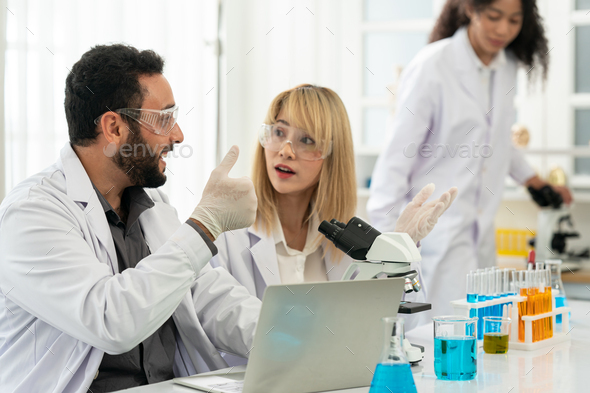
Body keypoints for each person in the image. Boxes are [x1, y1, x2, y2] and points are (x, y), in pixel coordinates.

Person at [0, 44, 261, 393]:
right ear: (114, 128)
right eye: (164, 119)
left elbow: (208, 295)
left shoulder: (151, 202)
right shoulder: (31, 213)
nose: (178, 136)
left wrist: (291, 339)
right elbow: (110, 320)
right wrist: (205, 225)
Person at [211, 84, 457, 359]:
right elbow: (214, 333)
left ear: (332, 155)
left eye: (307, 140)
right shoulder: (228, 236)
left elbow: (400, 328)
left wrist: (403, 246)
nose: (286, 150)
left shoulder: (350, 241)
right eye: (279, 132)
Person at [367, 0, 573, 319]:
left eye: (514, 20)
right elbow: (395, 161)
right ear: (471, 10)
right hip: (434, 238)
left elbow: (497, 139)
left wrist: (532, 180)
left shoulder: (505, 67)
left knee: (482, 343)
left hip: (480, 236)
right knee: (434, 344)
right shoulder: (433, 66)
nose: (503, 29)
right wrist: (386, 250)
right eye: (494, 17)